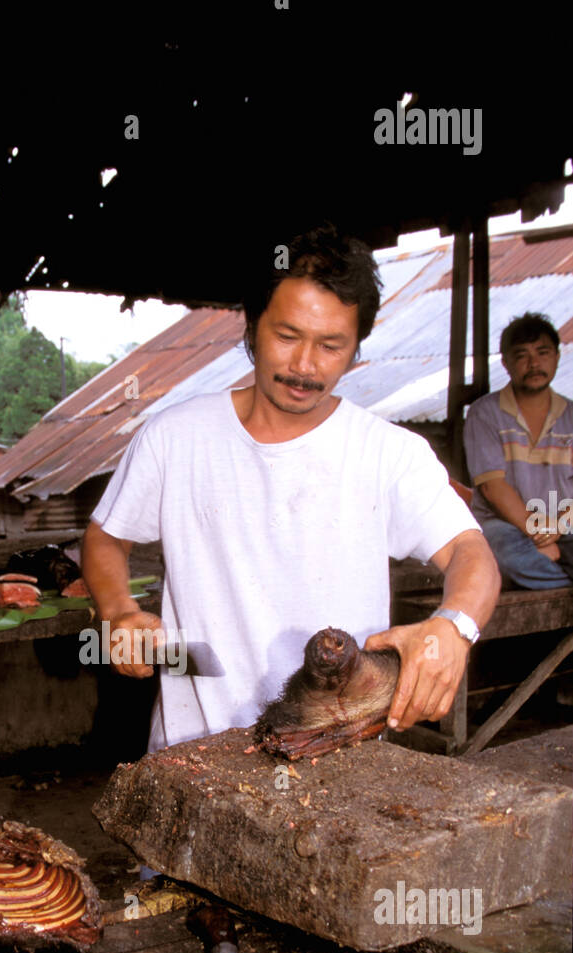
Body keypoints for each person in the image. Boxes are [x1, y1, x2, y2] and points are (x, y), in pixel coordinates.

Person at [81, 226, 501, 755]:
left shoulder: (390, 453)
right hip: (194, 757)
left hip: (338, 758)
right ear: (252, 327)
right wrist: (119, 611)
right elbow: (105, 537)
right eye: (287, 336)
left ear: (355, 350)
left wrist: (454, 626)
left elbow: (471, 551)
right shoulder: (174, 437)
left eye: (331, 346)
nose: (305, 365)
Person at [464, 312, 573, 588]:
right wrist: (538, 531)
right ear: (506, 363)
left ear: (558, 357)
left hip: (565, 523)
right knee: (504, 553)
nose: (534, 363)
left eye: (543, 352)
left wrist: (558, 529)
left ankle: (556, 567)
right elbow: (492, 487)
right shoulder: (485, 413)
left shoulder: (571, 414)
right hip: (507, 526)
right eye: (522, 355)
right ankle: (564, 569)